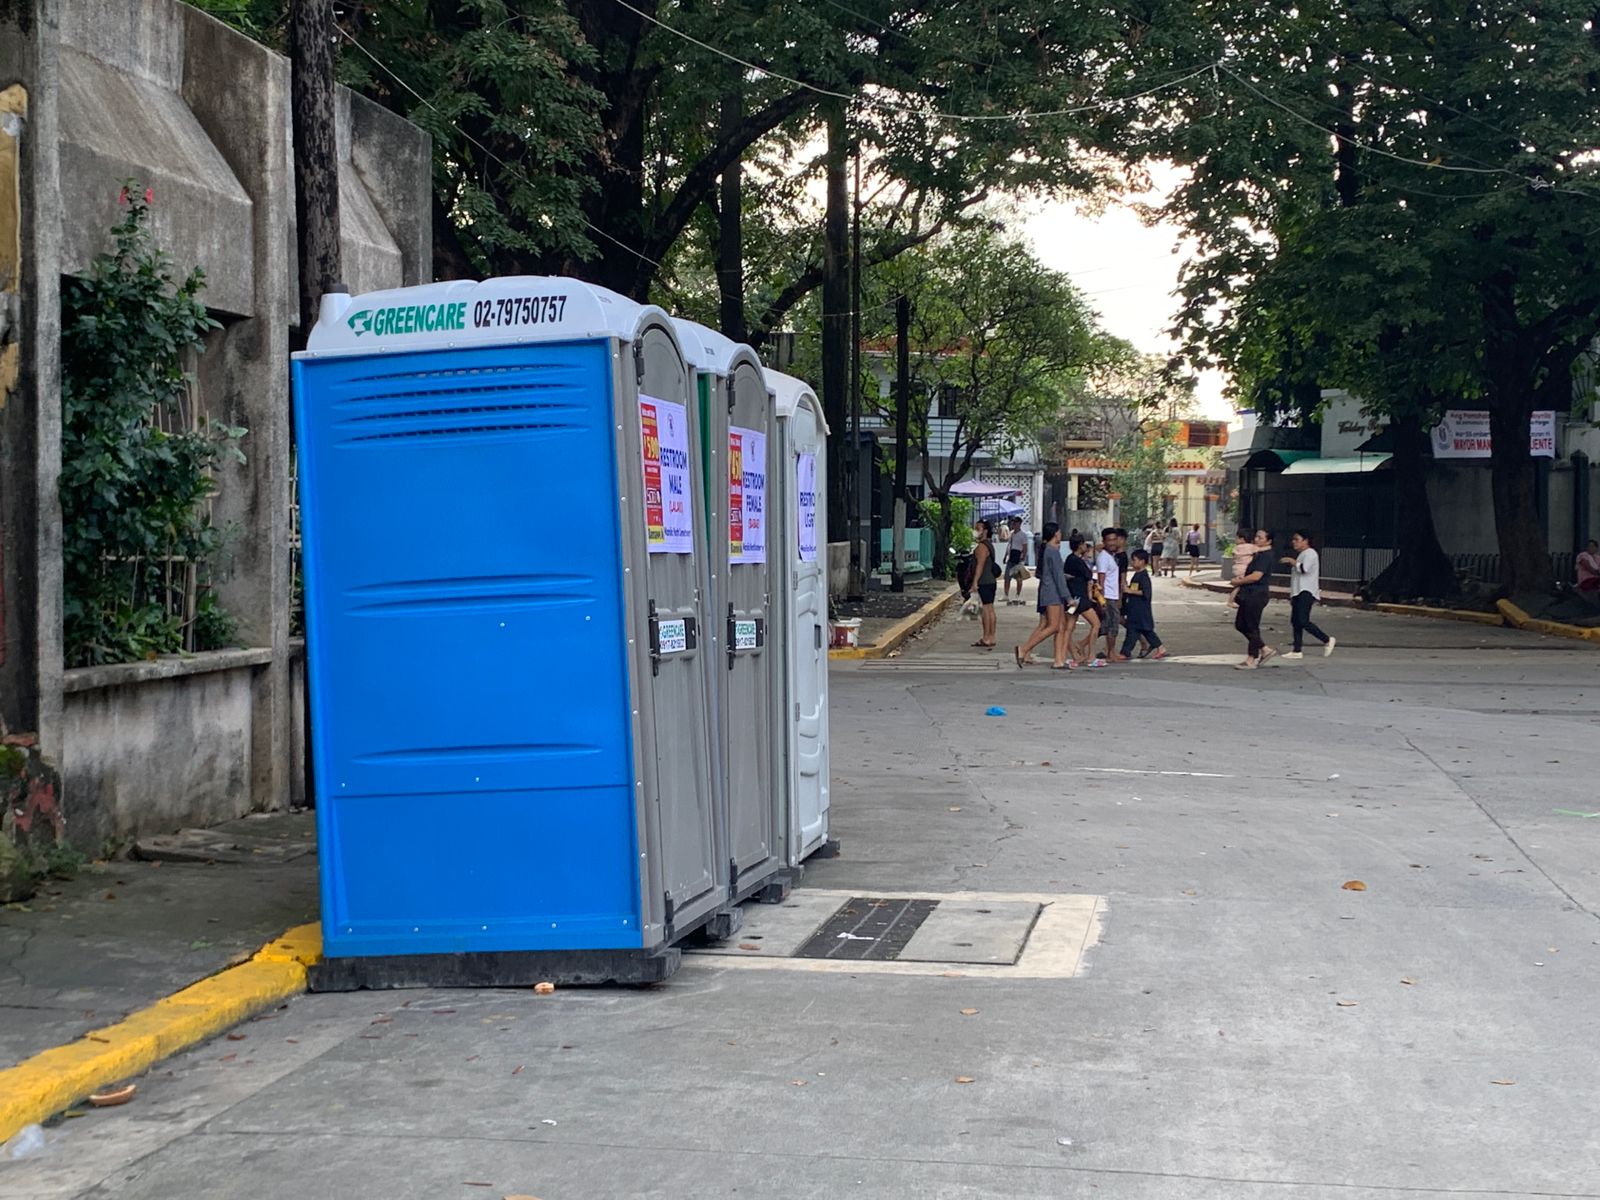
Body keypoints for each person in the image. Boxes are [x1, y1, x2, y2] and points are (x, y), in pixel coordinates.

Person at [1016, 523, 1069, 668]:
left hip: (1052, 591)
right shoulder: (1052, 551)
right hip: (1053, 593)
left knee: (1060, 626)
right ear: (1055, 534)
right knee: (1053, 626)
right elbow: (1058, 576)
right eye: (1059, 532)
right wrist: (1068, 597)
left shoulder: (1048, 550)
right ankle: (1024, 649)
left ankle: (1059, 660)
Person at [1281, 529, 1335, 659]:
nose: (1294, 542)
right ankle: (1297, 649)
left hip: (1306, 591)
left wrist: (1292, 561)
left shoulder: (1310, 553)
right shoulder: (1302, 554)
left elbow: (1304, 569)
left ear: (1306, 541)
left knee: (1302, 620)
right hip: (1298, 591)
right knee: (1295, 621)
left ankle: (1326, 639)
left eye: (1297, 539)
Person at [1228, 528, 1277, 669]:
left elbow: (1256, 576)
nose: (1256, 539)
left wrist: (1238, 582)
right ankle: (1264, 649)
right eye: (1256, 537)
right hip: (1248, 593)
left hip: (1257, 594)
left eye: (1260, 538)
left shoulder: (1265, 556)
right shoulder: (1256, 553)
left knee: (1251, 626)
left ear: (1269, 541)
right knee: (1241, 624)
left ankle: (1252, 658)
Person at [1062, 534, 1103, 668]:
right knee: (1096, 624)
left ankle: (1066, 655)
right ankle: (1091, 656)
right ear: (1080, 545)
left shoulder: (1069, 559)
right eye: (1084, 544)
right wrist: (1090, 596)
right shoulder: (1078, 561)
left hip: (1072, 599)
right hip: (1081, 598)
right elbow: (1088, 576)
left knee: (1069, 628)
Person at [1121, 549, 1167, 660]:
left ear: (1142, 561)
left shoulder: (1144, 576)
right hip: (1134, 609)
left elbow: (1146, 592)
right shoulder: (1137, 575)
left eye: (1134, 560)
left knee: (1141, 631)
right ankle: (1125, 652)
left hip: (1141, 610)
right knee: (1138, 631)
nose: (1132, 562)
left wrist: (1130, 591)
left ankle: (1125, 652)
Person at [1095, 528, 1126, 662]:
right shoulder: (1103, 558)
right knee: (1112, 625)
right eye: (1109, 540)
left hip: (1113, 595)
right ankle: (1111, 652)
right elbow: (1101, 580)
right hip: (1108, 596)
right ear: (1104, 541)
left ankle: (1110, 651)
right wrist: (1101, 600)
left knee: (1108, 626)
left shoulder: (1111, 556)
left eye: (1114, 539)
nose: (1112, 543)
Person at [970, 519, 999, 650]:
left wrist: (975, 582)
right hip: (991, 581)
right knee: (990, 608)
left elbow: (980, 566)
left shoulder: (982, 547)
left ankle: (986, 637)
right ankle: (991, 637)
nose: (976, 531)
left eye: (978, 529)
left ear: (985, 531)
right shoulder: (989, 545)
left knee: (986, 610)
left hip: (984, 581)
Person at [1003, 516, 1030, 605]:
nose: (1013, 524)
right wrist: (1005, 556)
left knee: (1018, 578)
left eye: (1015, 522)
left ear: (1019, 524)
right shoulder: (1011, 534)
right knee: (1007, 577)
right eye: (1013, 522)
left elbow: (1025, 547)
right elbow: (1009, 546)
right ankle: (1006, 594)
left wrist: (1023, 558)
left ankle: (1017, 594)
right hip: (1011, 557)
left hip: (1018, 557)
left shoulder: (1023, 535)